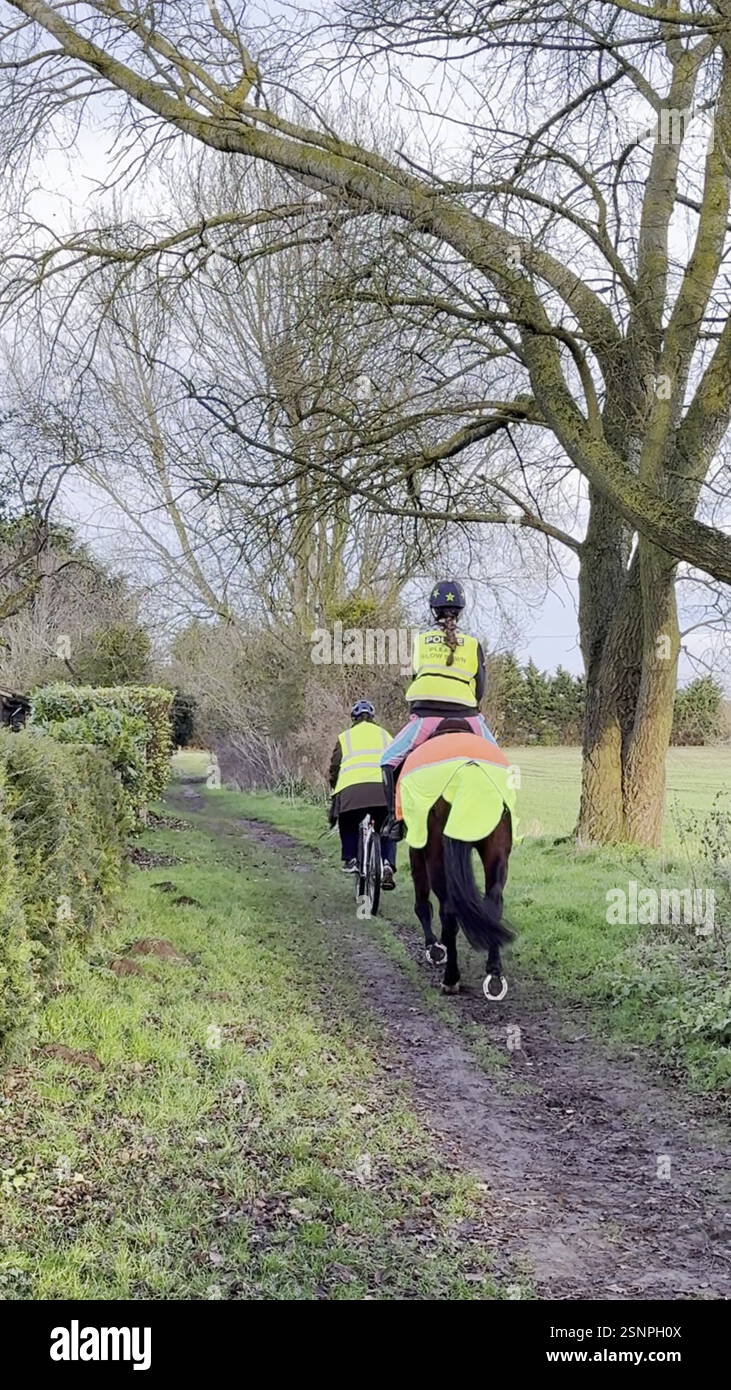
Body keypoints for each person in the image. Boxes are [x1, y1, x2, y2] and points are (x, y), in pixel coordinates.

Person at [380, 580, 496, 838]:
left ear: (433, 610)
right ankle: (498, 816)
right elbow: (480, 689)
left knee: (387, 760)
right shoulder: (473, 643)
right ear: (461, 610)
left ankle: (395, 820)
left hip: (427, 718)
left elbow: (415, 679)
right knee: (499, 762)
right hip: (468, 717)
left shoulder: (420, 642)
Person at [329, 700, 397, 889]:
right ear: (372, 718)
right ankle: (386, 864)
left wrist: (334, 786)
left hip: (352, 793)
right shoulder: (385, 735)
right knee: (387, 828)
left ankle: (350, 858)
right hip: (382, 792)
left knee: (348, 822)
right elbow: (397, 761)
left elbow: (335, 766)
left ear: (354, 719)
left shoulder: (345, 737)